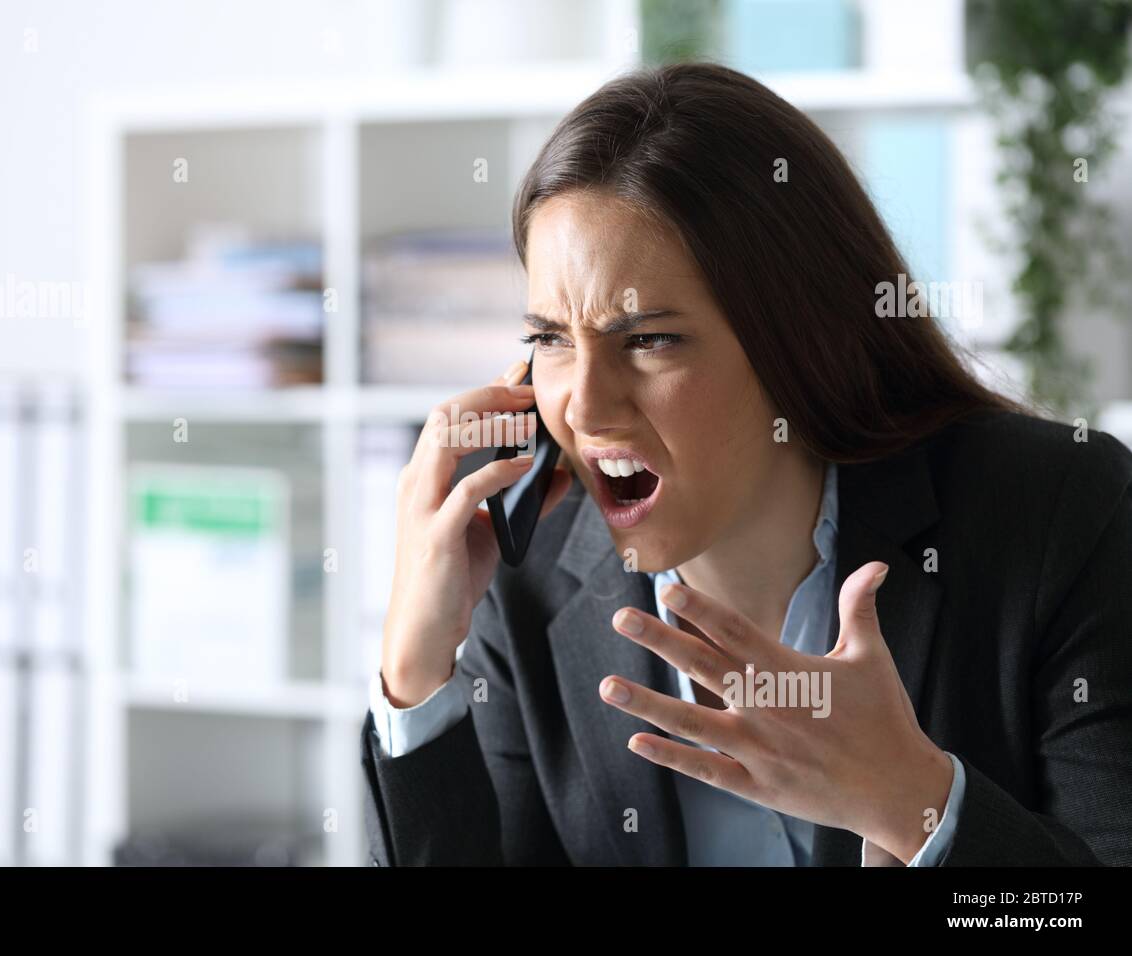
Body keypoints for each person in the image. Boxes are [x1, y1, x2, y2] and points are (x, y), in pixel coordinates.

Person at [360, 62, 1132, 866]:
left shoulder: (1058, 511)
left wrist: (914, 802)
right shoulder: (522, 576)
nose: (583, 409)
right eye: (550, 339)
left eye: (650, 339)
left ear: (796, 343)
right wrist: (416, 669)